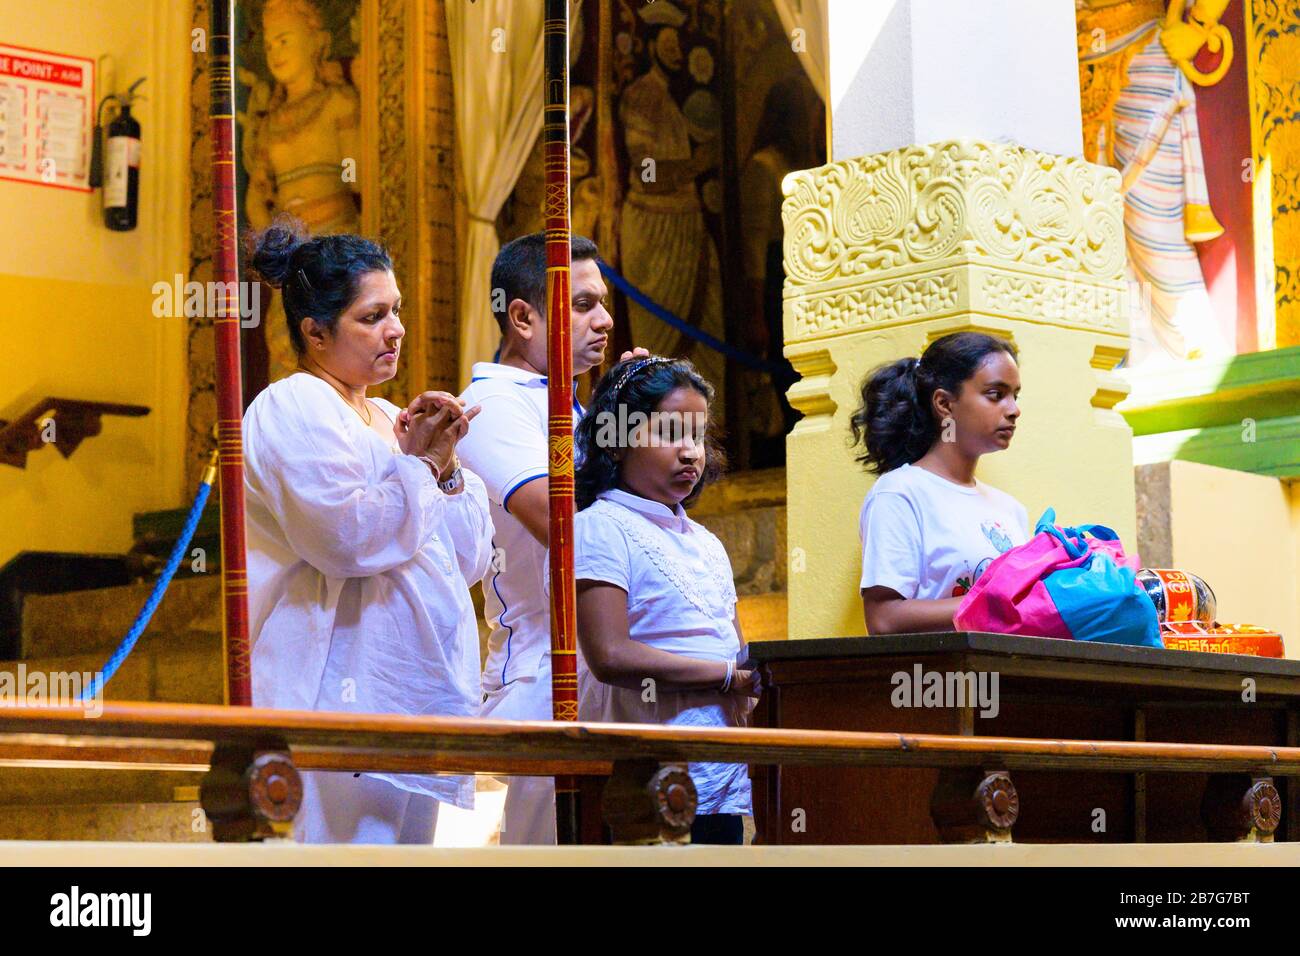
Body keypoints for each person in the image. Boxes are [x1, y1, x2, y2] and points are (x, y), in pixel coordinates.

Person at [243, 219, 493, 844]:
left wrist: (449, 463)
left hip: (414, 694)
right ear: (316, 332)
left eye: (398, 310)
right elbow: (346, 540)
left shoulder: (387, 414)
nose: (397, 329)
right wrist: (422, 465)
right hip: (341, 692)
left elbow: (466, 561)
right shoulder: (294, 404)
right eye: (373, 315)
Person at [456, 231, 644, 845]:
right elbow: (562, 523)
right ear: (523, 317)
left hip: (608, 659)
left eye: (604, 303)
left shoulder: (574, 407)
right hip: (547, 669)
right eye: (584, 304)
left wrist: (625, 412)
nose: (605, 319)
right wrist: (627, 440)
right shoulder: (490, 406)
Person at [571, 356, 759, 845]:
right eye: (669, 432)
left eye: (696, 436)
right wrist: (725, 676)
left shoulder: (706, 542)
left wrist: (751, 682)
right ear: (617, 440)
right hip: (647, 775)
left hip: (720, 772)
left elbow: (736, 649)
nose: (690, 452)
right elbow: (611, 656)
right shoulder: (601, 526)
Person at [851, 332, 1030, 636]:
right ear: (945, 404)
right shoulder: (899, 494)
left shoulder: (1011, 510)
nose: (1013, 409)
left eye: (1015, 395)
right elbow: (883, 618)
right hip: (936, 681)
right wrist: (992, 605)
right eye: (995, 394)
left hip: (1004, 680)